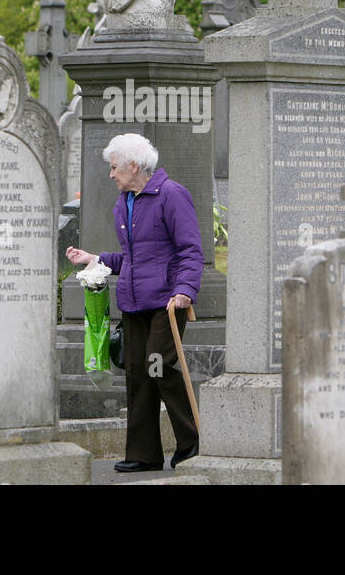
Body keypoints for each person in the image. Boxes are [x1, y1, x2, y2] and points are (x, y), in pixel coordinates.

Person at [66, 133, 201, 472]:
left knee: (158, 365)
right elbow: (134, 257)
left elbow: (190, 250)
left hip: (167, 302)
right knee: (138, 374)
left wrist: (185, 290)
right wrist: (95, 259)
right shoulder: (125, 200)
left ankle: (192, 441)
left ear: (134, 166)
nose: (111, 174)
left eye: (115, 168)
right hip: (134, 301)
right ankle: (144, 454)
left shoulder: (171, 195)